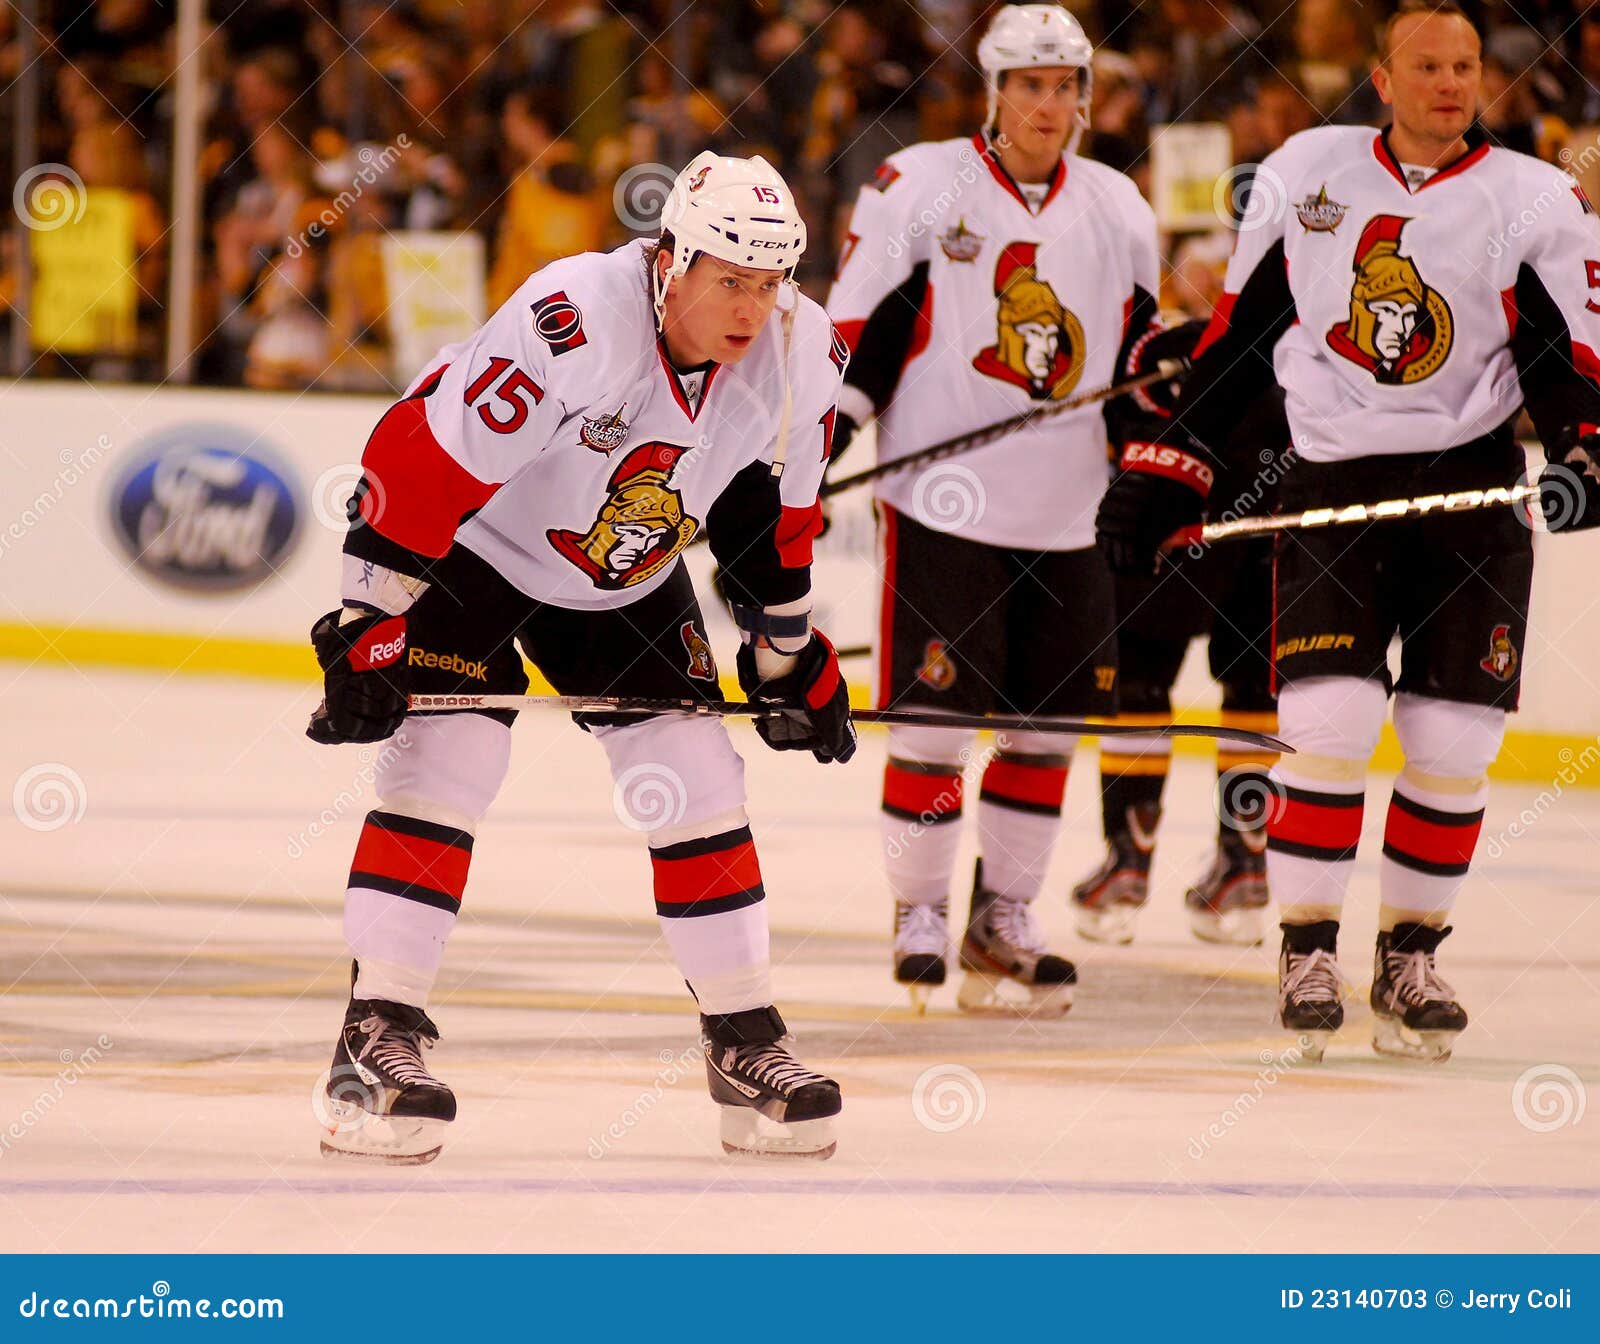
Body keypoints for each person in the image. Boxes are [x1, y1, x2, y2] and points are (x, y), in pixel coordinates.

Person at [306, 151, 856, 1163]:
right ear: (672, 260)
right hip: (478, 547)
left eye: (771, 280)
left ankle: (742, 1038)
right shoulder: (576, 315)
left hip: (623, 574)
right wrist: (369, 622)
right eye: (731, 278)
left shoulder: (802, 350)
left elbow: (772, 522)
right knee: (449, 760)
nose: (752, 306)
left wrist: (788, 655)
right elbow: (421, 464)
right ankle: (373, 1036)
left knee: (694, 775)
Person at [1096, 1, 1600, 1062]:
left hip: (1469, 488)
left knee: (1453, 741)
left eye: (1464, 66)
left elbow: (1563, 359)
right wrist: (1171, 464)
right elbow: (1242, 341)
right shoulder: (1305, 175)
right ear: (1381, 79)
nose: (1450, 83)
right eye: (1427, 66)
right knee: (1327, 722)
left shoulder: (1535, 197)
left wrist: (1584, 446)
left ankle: (1409, 955)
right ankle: (1308, 948)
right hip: (1332, 481)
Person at [827, 4, 1160, 1015]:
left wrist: (1157, 466)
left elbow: (1137, 364)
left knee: (1043, 730)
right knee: (932, 725)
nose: (1048, 105)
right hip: (943, 507)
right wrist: (816, 452)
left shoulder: (1118, 205)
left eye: (1064, 86)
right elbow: (863, 337)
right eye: (1029, 85)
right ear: (993, 90)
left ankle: (1002, 916)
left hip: (1068, 512)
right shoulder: (920, 184)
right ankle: (921, 911)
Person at [1070, 321, 1285, 947]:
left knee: (1139, 674)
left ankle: (1128, 863)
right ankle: (1245, 863)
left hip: (1180, 509)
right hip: (1274, 511)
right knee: (1253, 685)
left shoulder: (1160, 340)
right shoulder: (1292, 316)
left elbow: (1128, 416)